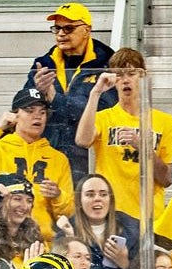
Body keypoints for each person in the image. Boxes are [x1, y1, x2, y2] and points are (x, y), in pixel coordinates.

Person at [76, 47, 172, 220]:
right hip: (112, 216)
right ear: (113, 80)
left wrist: (143, 148)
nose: (125, 80)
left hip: (149, 217)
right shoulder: (104, 117)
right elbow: (82, 140)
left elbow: (167, 179)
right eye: (120, 75)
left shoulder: (165, 122)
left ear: (143, 77)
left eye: (131, 74)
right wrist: (95, 93)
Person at [0, 88, 74, 241]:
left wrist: (58, 196)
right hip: (0, 239)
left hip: (40, 242)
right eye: (30, 110)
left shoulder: (58, 158)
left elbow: (67, 213)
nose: (37, 116)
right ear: (15, 115)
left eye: (42, 112)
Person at [26, 1, 116, 182]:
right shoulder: (43, 63)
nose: (60, 34)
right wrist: (37, 91)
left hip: (89, 157)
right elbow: (22, 104)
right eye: (57, 28)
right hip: (49, 154)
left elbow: (106, 111)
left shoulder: (107, 64)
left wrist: (55, 98)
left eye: (68, 28)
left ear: (87, 30)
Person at [54, 174, 139, 269]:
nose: (97, 199)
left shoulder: (131, 229)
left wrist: (125, 263)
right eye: (90, 194)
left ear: (110, 200)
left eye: (103, 194)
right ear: (79, 201)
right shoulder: (66, 232)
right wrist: (71, 240)